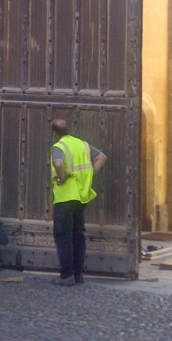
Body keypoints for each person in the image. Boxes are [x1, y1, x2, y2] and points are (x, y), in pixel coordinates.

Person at [50, 119, 106, 286]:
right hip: (81, 197)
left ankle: (66, 275)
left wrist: (61, 178)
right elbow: (102, 157)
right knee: (78, 235)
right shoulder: (82, 144)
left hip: (65, 197)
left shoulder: (58, 147)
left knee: (63, 235)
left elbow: (58, 163)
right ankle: (78, 274)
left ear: (54, 133)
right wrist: (89, 176)